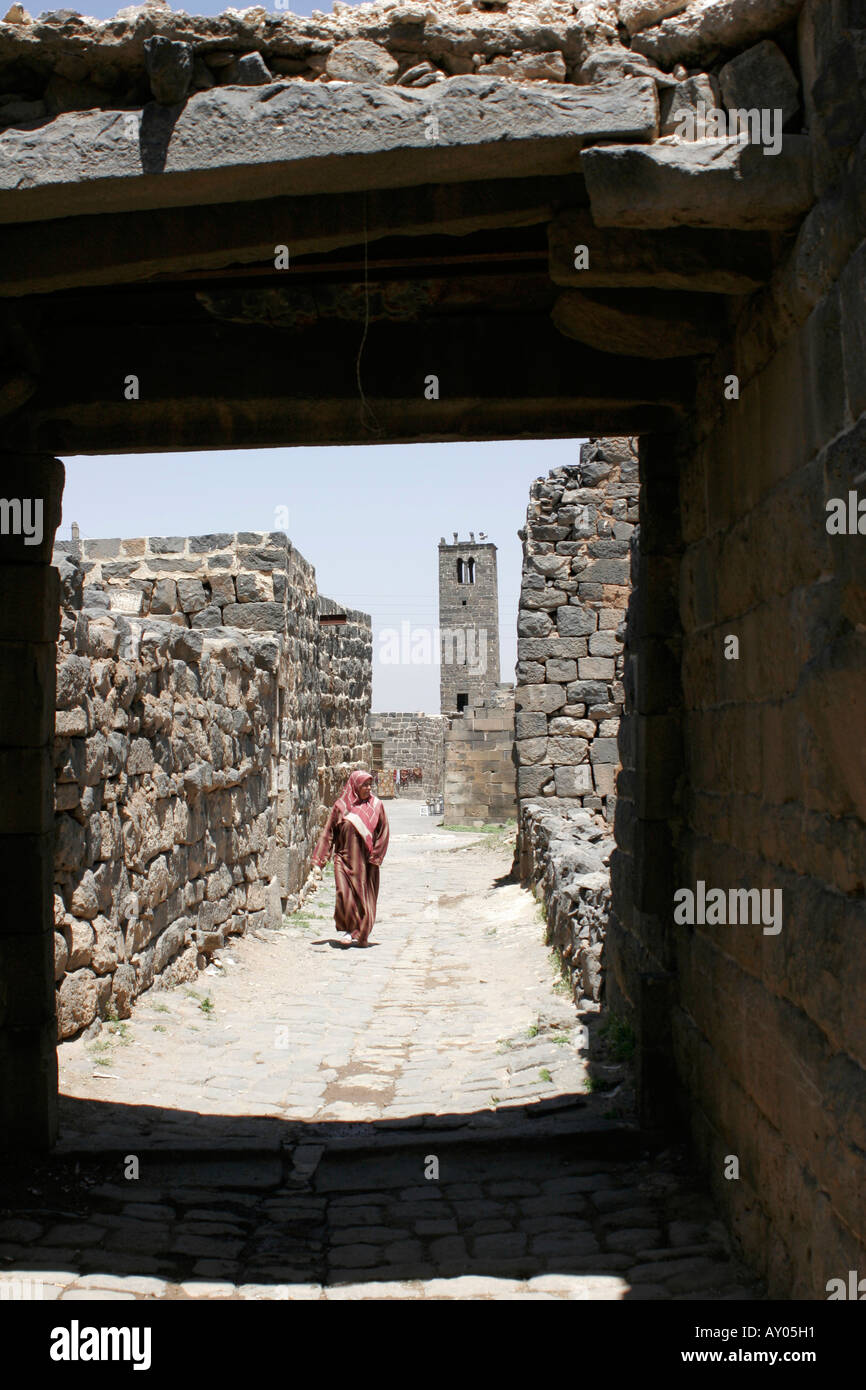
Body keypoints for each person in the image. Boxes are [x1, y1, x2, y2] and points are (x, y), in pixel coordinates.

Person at [311, 770, 390, 946]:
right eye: (364, 785)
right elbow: (329, 833)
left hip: (366, 862)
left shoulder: (376, 806)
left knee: (364, 899)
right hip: (343, 859)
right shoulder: (341, 807)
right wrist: (320, 859)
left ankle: (361, 933)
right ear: (355, 785)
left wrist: (376, 856)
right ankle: (347, 931)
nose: (368, 788)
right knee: (343, 894)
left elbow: (383, 831)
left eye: (370, 784)